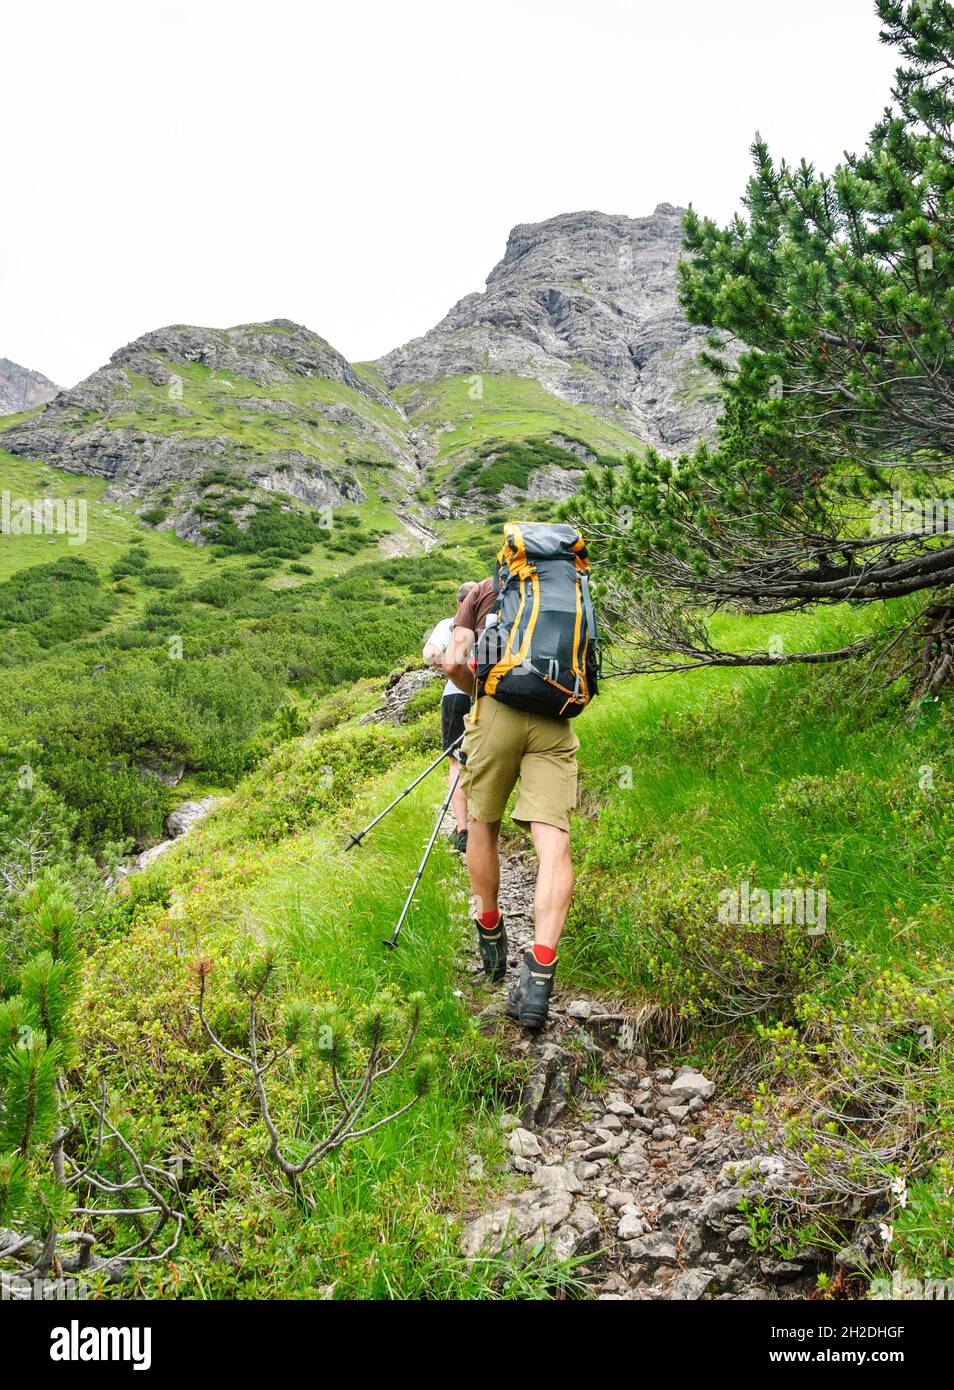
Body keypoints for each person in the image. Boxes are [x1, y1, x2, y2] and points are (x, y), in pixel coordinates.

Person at [442, 576, 579, 1031]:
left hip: (494, 711)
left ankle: (491, 931)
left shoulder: (484, 591)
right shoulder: (568, 588)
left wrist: (478, 689)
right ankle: (539, 976)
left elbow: (452, 662)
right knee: (554, 842)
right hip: (554, 720)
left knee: (481, 824)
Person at [423, 582, 478, 853]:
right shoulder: (494, 620)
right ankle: (484, 824)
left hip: (455, 695)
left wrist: (451, 663)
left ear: (459, 603)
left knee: (456, 762)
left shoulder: (448, 624)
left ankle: (463, 829)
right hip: (489, 697)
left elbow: (429, 655)